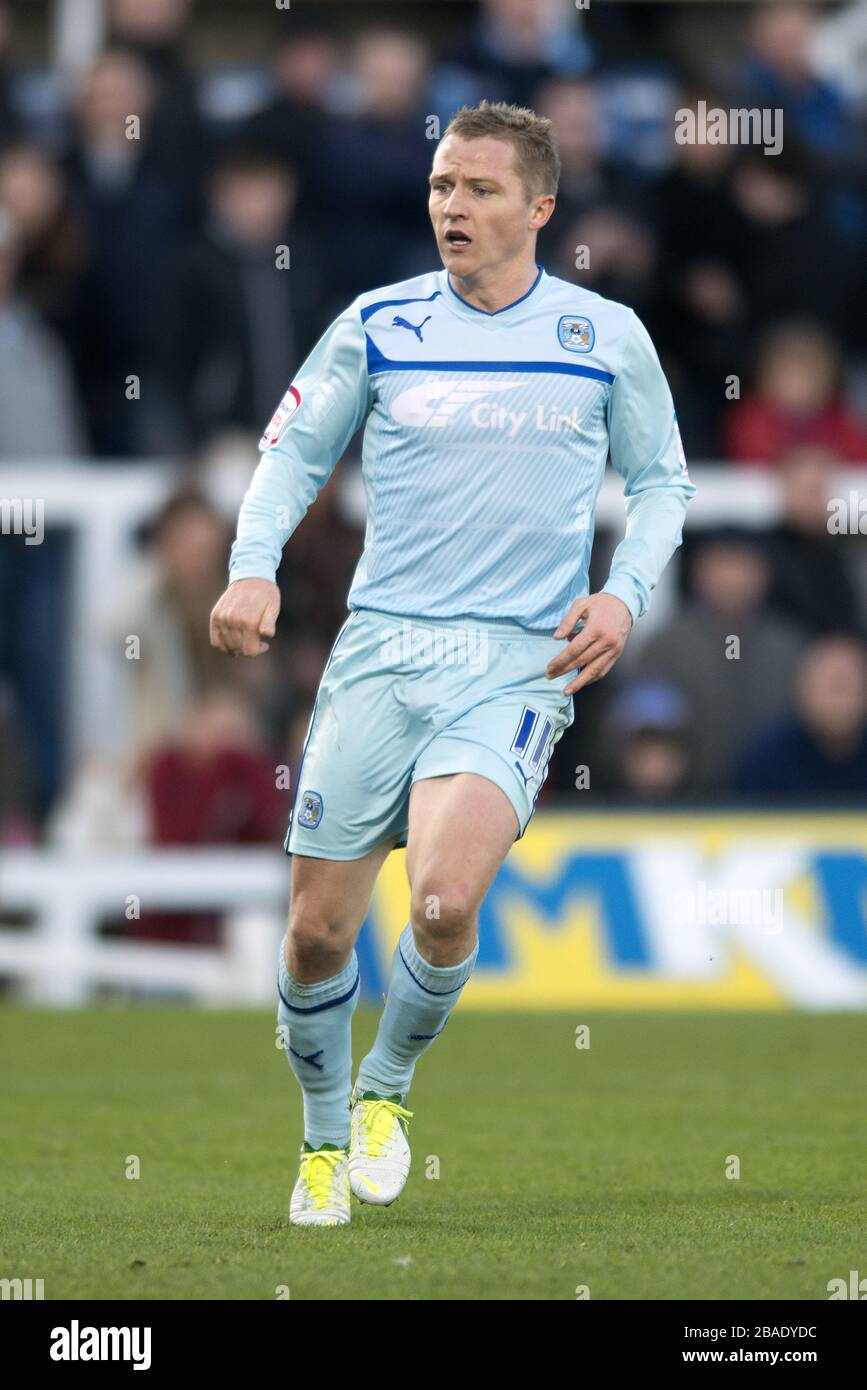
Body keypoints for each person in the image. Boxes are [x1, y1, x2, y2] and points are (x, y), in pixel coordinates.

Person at [209, 100, 695, 1227]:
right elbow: (289, 454)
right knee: (319, 932)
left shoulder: (602, 335)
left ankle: (385, 1094)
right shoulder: (379, 323)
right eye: (440, 186)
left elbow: (665, 482)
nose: (452, 207)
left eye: (478, 189)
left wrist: (624, 596)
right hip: (383, 651)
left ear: (540, 207)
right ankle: (321, 1137)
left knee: (438, 899)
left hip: (519, 661)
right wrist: (253, 565)